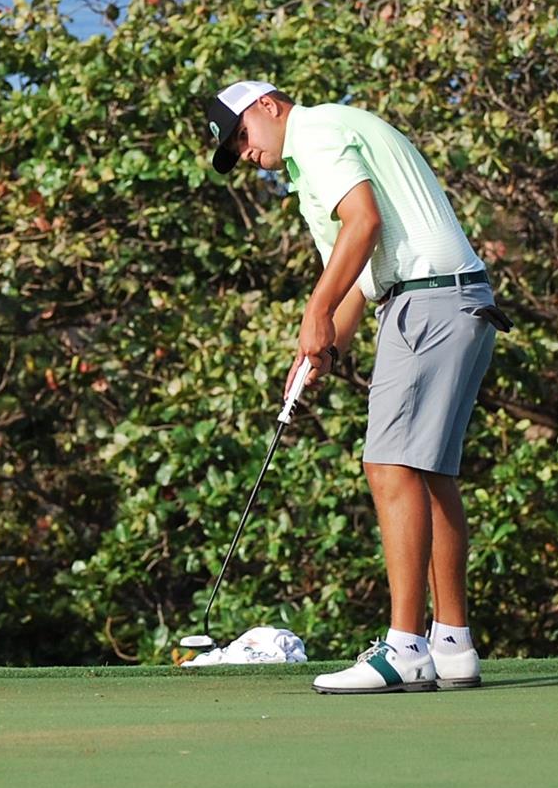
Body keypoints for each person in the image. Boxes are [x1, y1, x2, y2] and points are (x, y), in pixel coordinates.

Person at [204, 79, 509, 694]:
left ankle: (405, 648)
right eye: (234, 150)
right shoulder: (311, 165)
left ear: (268, 106)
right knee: (430, 473)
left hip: (427, 302)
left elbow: (363, 223)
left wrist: (314, 312)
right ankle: (452, 644)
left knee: (388, 465)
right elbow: (356, 279)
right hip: (455, 300)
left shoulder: (315, 130)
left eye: (242, 135)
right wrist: (323, 350)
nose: (246, 152)